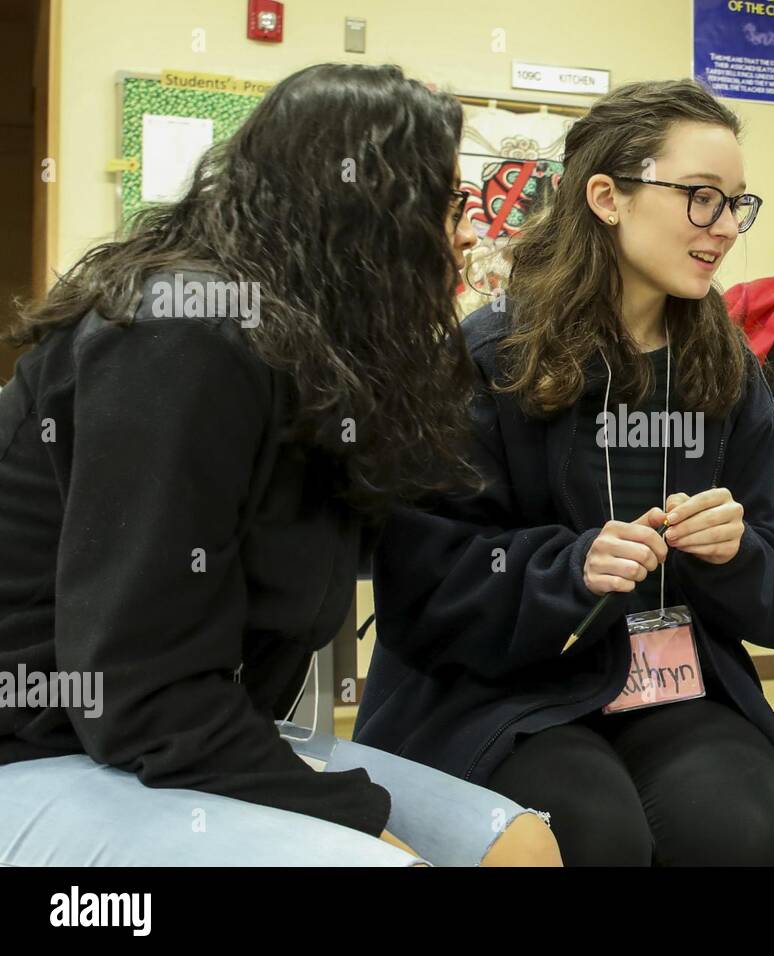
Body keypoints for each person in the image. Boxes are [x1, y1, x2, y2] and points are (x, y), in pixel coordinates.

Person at [0, 63, 558, 867]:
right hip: (46, 744)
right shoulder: (180, 332)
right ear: (367, 211)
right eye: (448, 205)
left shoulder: (317, 352)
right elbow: (137, 692)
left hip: (182, 727)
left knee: (521, 847)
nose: (470, 233)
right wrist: (356, 818)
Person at [355, 79, 774, 866]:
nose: (724, 230)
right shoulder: (490, 359)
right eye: (701, 198)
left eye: (737, 205)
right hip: (506, 690)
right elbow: (422, 582)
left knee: (740, 825)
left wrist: (735, 553)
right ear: (607, 197)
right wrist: (568, 569)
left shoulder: (729, 373)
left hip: (675, 683)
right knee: (590, 830)